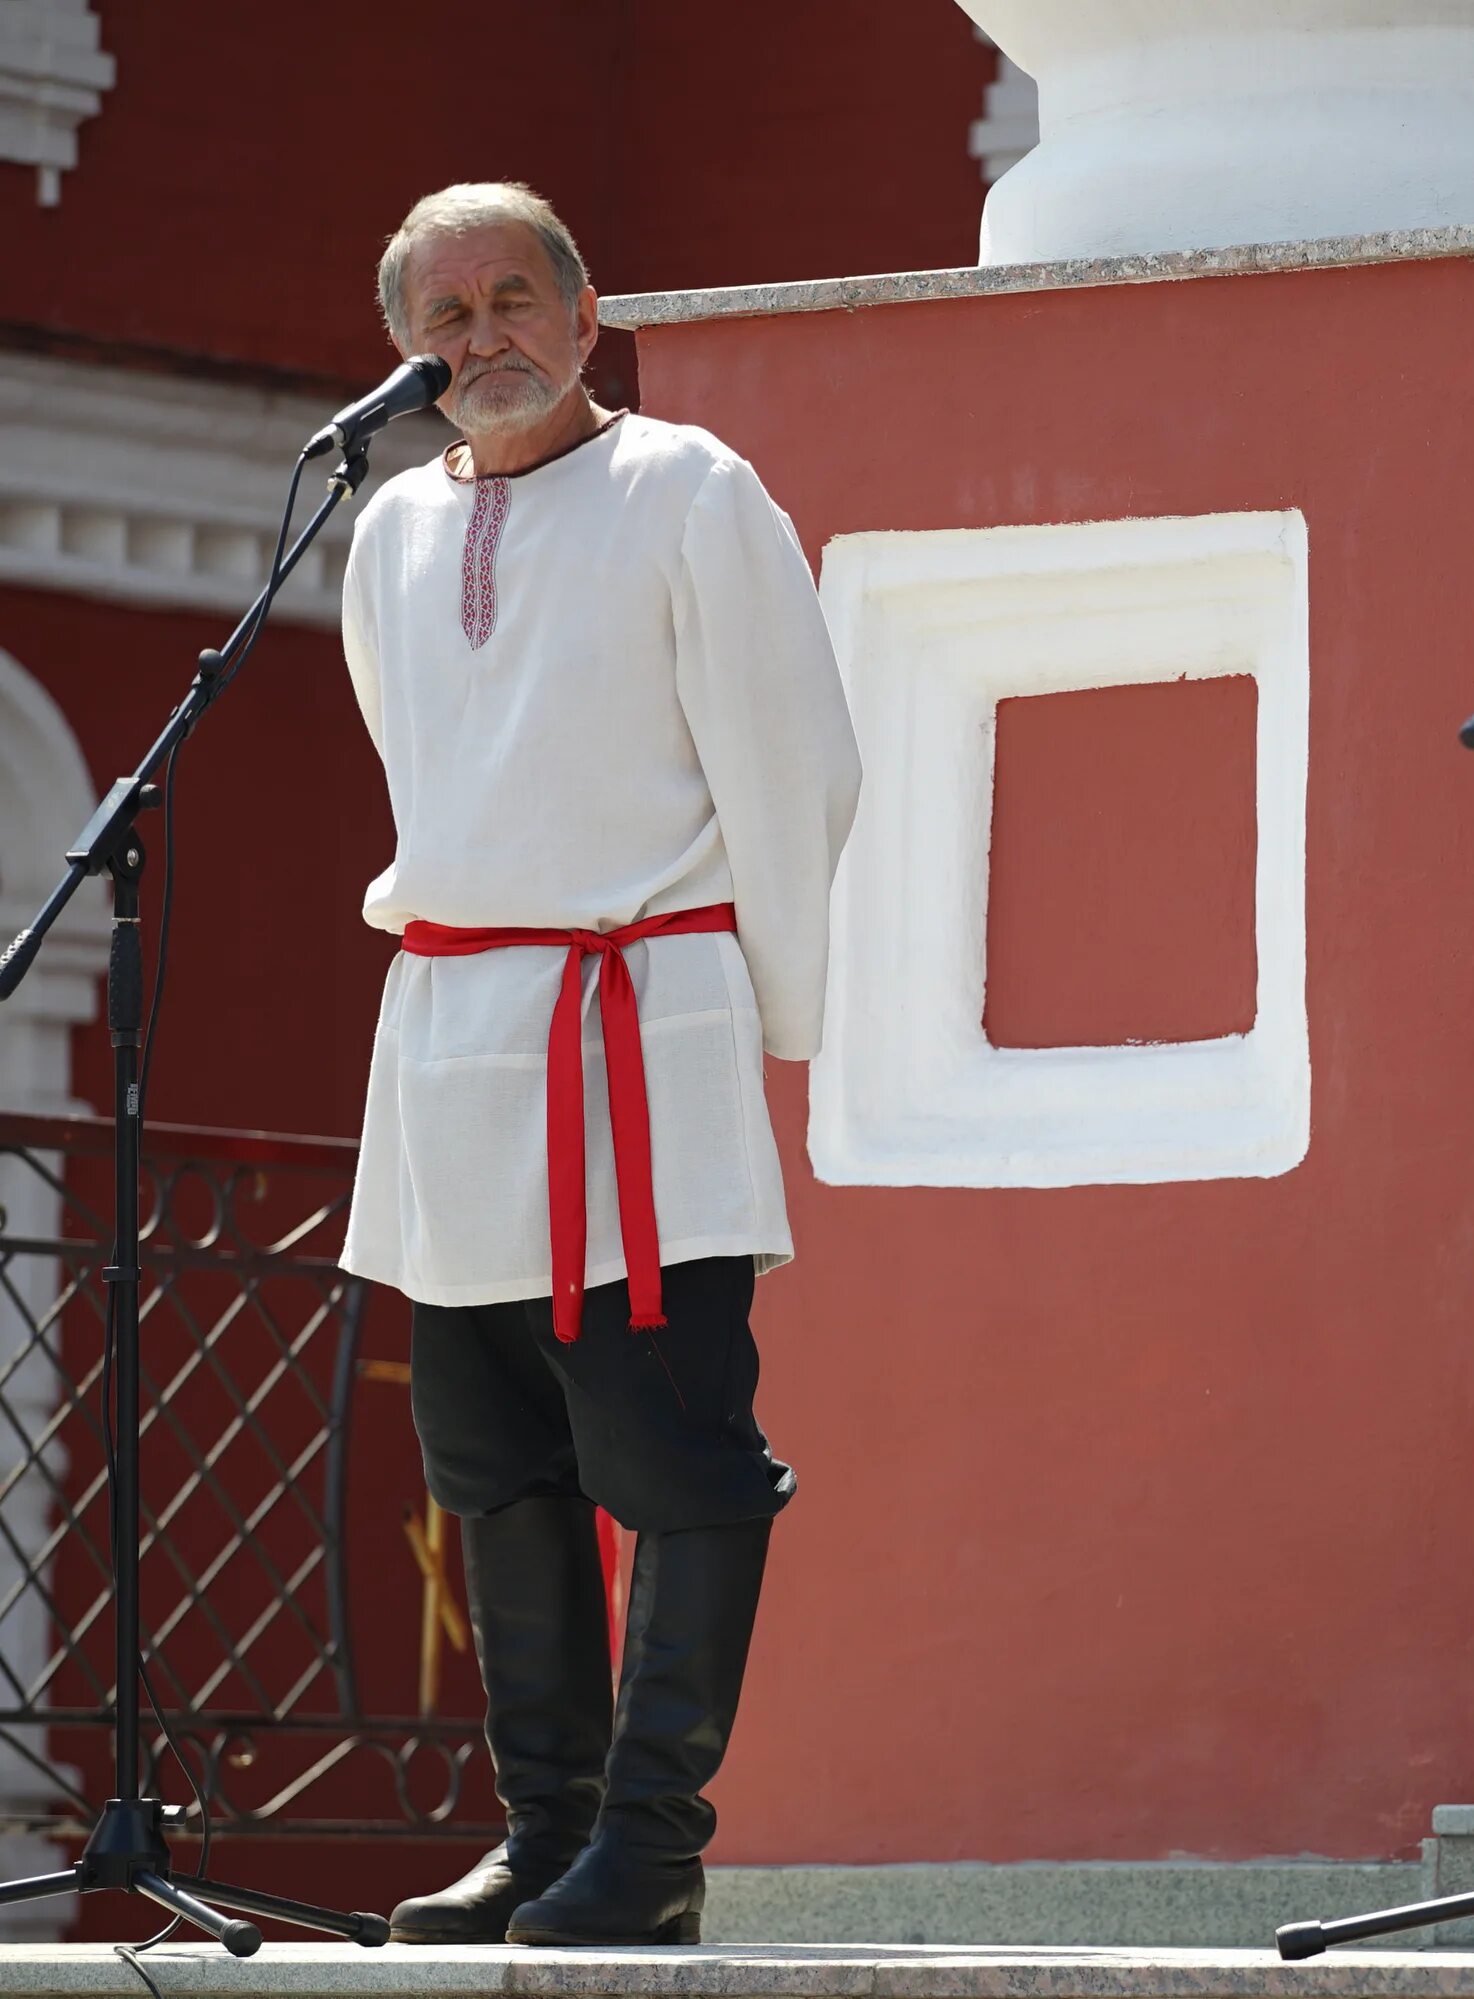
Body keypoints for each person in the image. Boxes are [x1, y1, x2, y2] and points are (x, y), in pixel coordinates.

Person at [338, 182, 861, 1946]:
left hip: (635, 1035)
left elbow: (799, 769)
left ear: (584, 310)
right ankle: (541, 1835)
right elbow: (418, 758)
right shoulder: (391, 525)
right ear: (409, 348)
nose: (480, 339)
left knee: (675, 1454)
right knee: (491, 1459)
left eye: (509, 299)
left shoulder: (689, 490)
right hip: (457, 1040)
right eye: (444, 316)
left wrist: (759, 1030)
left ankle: (650, 1851)